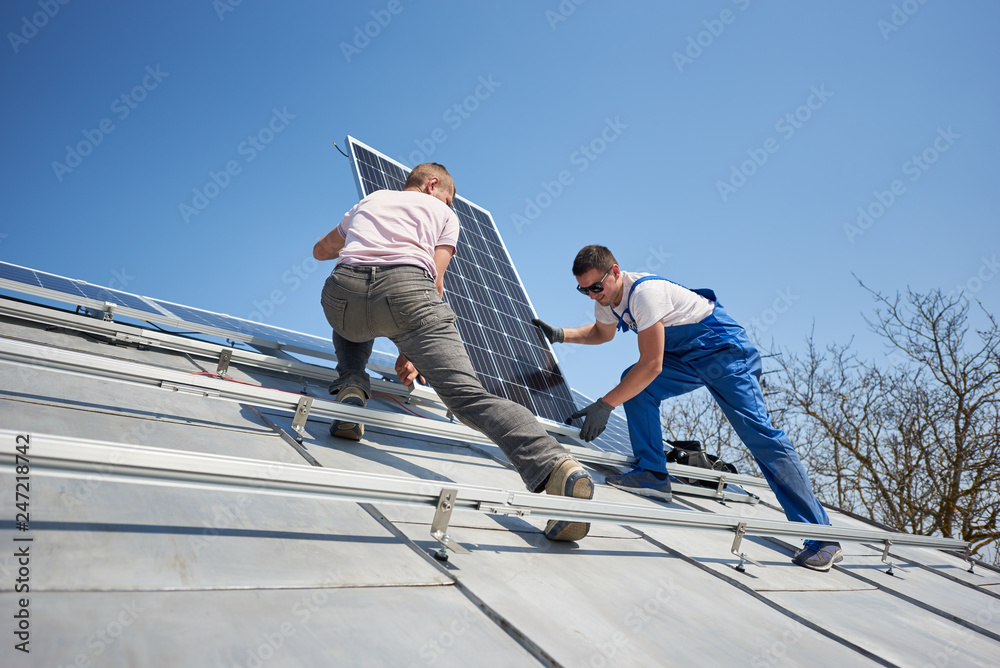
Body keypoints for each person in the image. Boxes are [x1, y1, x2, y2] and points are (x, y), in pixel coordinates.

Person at [312, 163, 594, 541]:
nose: (449, 204)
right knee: (468, 397)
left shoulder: (371, 199)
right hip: (408, 293)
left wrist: (358, 238)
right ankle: (557, 467)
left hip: (341, 295)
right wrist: (414, 346)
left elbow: (321, 251)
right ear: (433, 185)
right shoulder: (444, 214)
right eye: (448, 196)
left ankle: (351, 387)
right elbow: (435, 280)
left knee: (351, 306)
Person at [532, 245, 842, 570]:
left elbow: (652, 364)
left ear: (615, 272)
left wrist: (604, 405)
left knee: (759, 436)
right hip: (686, 357)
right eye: (584, 290)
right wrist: (560, 334)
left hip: (723, 352)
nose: (593, 295)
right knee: (635, 387)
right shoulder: (608, 301)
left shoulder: (644, 294)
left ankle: (822, 535)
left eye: (597, 287)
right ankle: (653, 473)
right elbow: (601, 333)